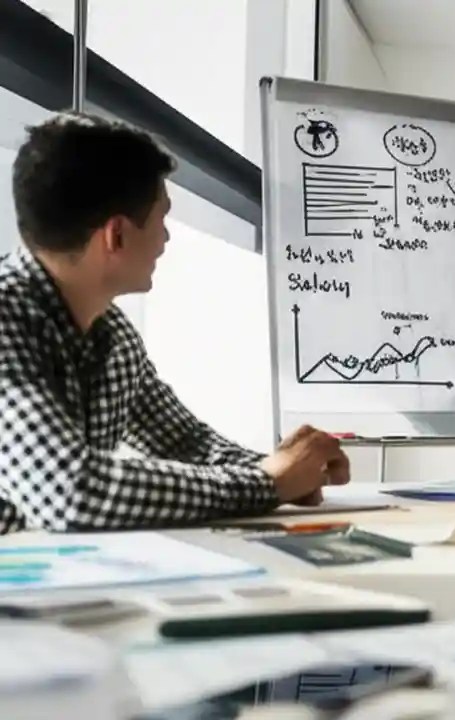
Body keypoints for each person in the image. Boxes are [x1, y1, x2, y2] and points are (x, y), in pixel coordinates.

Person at [0, 112, 349, 534]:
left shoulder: (112, 334)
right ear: (117, 236)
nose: (166, 238)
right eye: (162, 217)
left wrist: (291, 470)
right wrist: (266, 482)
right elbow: (71, 495)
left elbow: (186, 444)